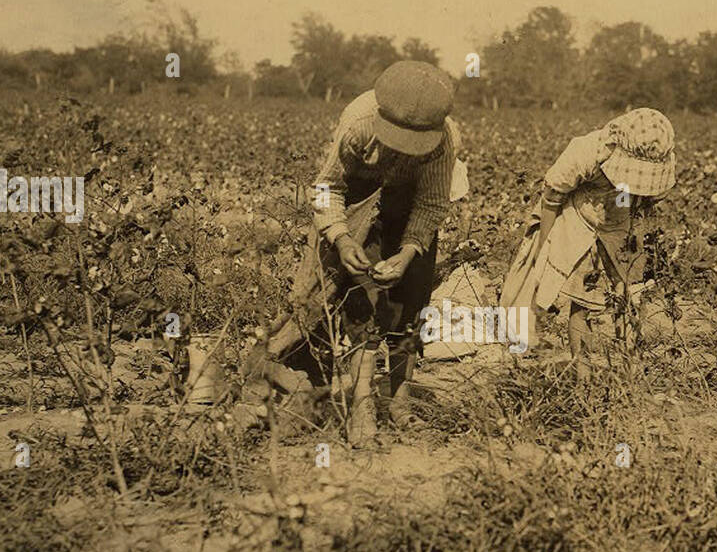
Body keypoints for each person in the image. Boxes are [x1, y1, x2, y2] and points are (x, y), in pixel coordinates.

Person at [266, 60, 459, 444]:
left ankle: (400, 402)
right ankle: (359, 403)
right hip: (353, 199)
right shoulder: (359, 123)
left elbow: (433, 203)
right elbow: (326, 188)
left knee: (411, 299)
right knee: (346, 299)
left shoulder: (444, 141)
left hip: (408, 208)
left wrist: (407, 252)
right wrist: (341, 237)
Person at [499, 108, 676, 381]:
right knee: (580, 301)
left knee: (632, 295)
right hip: (581, 219)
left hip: (622, 225)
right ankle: (582, 372)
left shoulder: (661, 161)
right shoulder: (589, 151)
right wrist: (544, 246)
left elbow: (650, 200)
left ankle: (632, 369)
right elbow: (552, 196)